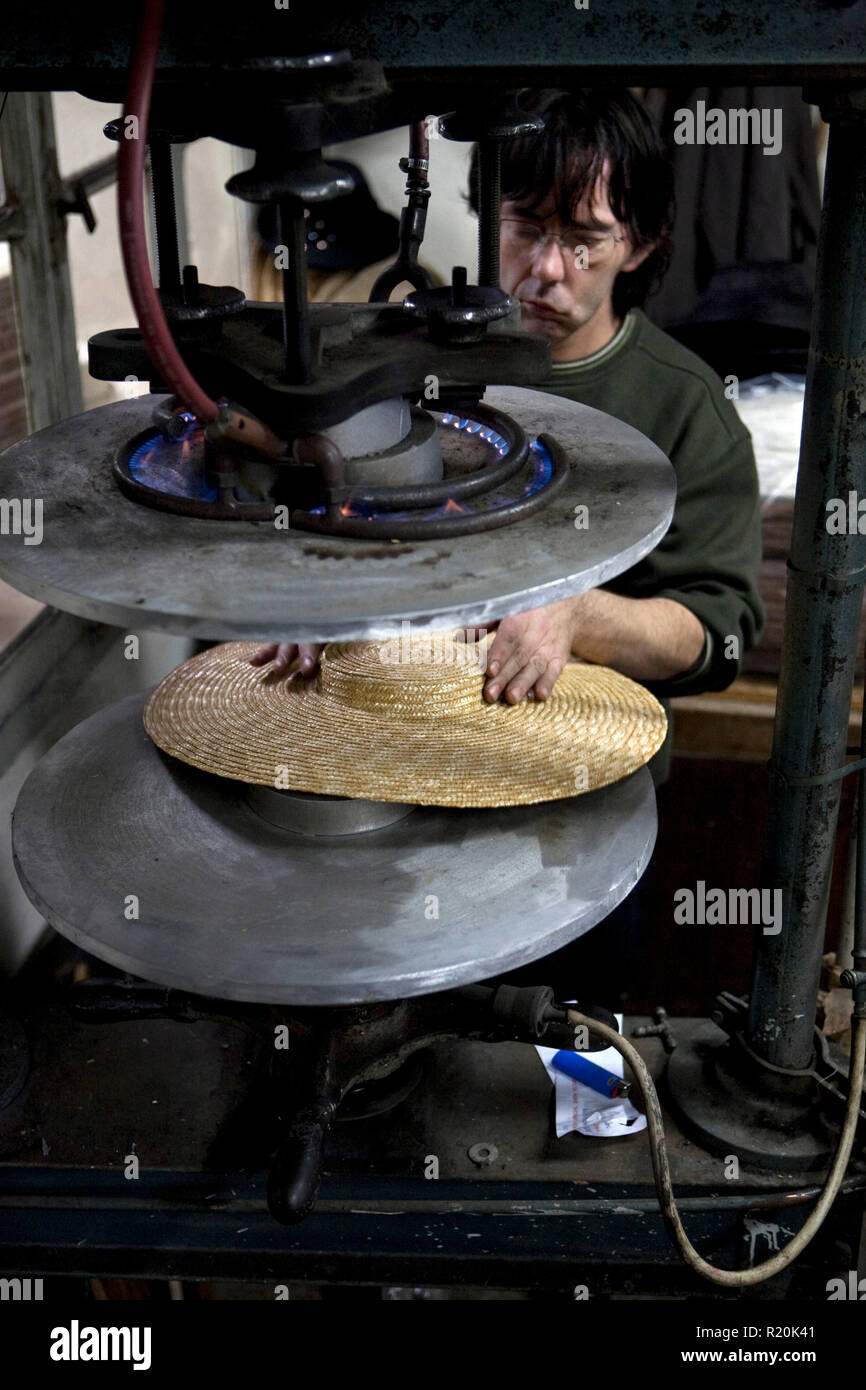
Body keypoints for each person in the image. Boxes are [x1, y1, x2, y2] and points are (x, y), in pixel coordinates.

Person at [253, 89, 764, 794]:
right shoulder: (412, 369)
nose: (548, 269)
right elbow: (335, 520)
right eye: (525, 228)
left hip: (577, 782)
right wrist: (311, 601)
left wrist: (578, 612)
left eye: (585, 240)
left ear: (640, 245)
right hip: (403, 758)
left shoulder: (687, 406)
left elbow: (717, 636)